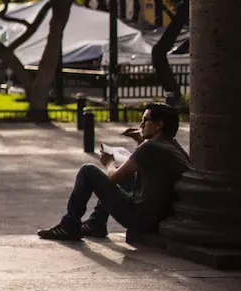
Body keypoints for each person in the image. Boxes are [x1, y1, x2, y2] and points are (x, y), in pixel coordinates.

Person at [39, 103, 191, 241]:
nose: (141, 124)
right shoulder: (175, 147)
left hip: (140, 217)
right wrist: (140, 141)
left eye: (145, 120)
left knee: (88, 171)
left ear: (159, 125)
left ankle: (69, 225)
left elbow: (113, 179)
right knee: (127, 178)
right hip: (158, 213)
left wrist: (109, 162)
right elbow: (153, 167)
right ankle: (96, 223)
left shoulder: (150, 147)